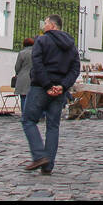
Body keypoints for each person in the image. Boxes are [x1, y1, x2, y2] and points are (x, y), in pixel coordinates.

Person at [21, 15, 80, 175]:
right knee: (53, 126)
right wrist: (62, 86)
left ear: (53, 26)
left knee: (28, 120)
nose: (44, 25)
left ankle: (39, 155)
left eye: (46, 23)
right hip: (60, 90)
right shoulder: (71, 45)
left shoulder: (42, 40)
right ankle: (48, 165)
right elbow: (75, 68)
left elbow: (37, 63)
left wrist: (47, 85)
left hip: (41, 87)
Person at [13, 36, 34, 111]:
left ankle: (24, 114)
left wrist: (17, 73)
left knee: (23, 97)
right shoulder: (36, 52)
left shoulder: (22, 53)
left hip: (23, 77)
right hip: (34, 76)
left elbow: (17, 67)